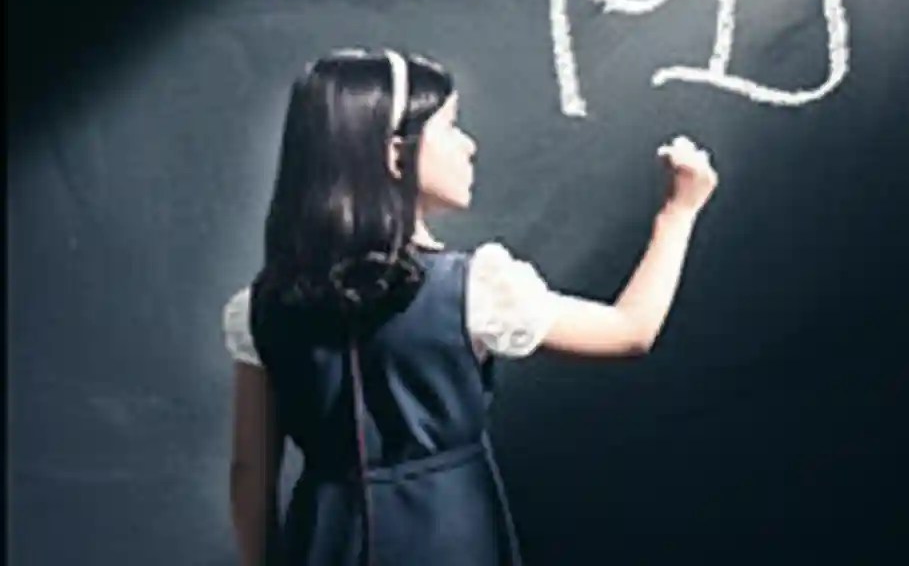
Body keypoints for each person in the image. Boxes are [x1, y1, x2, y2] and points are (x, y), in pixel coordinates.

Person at [224, 47, 718, 565]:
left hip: (322, 543)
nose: (469, 145)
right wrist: (677, 212)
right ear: (396, 154)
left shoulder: (262, 307)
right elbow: (630, 330)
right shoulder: (472, 288)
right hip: (446, 539)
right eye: (451, 127)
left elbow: (250, 474)